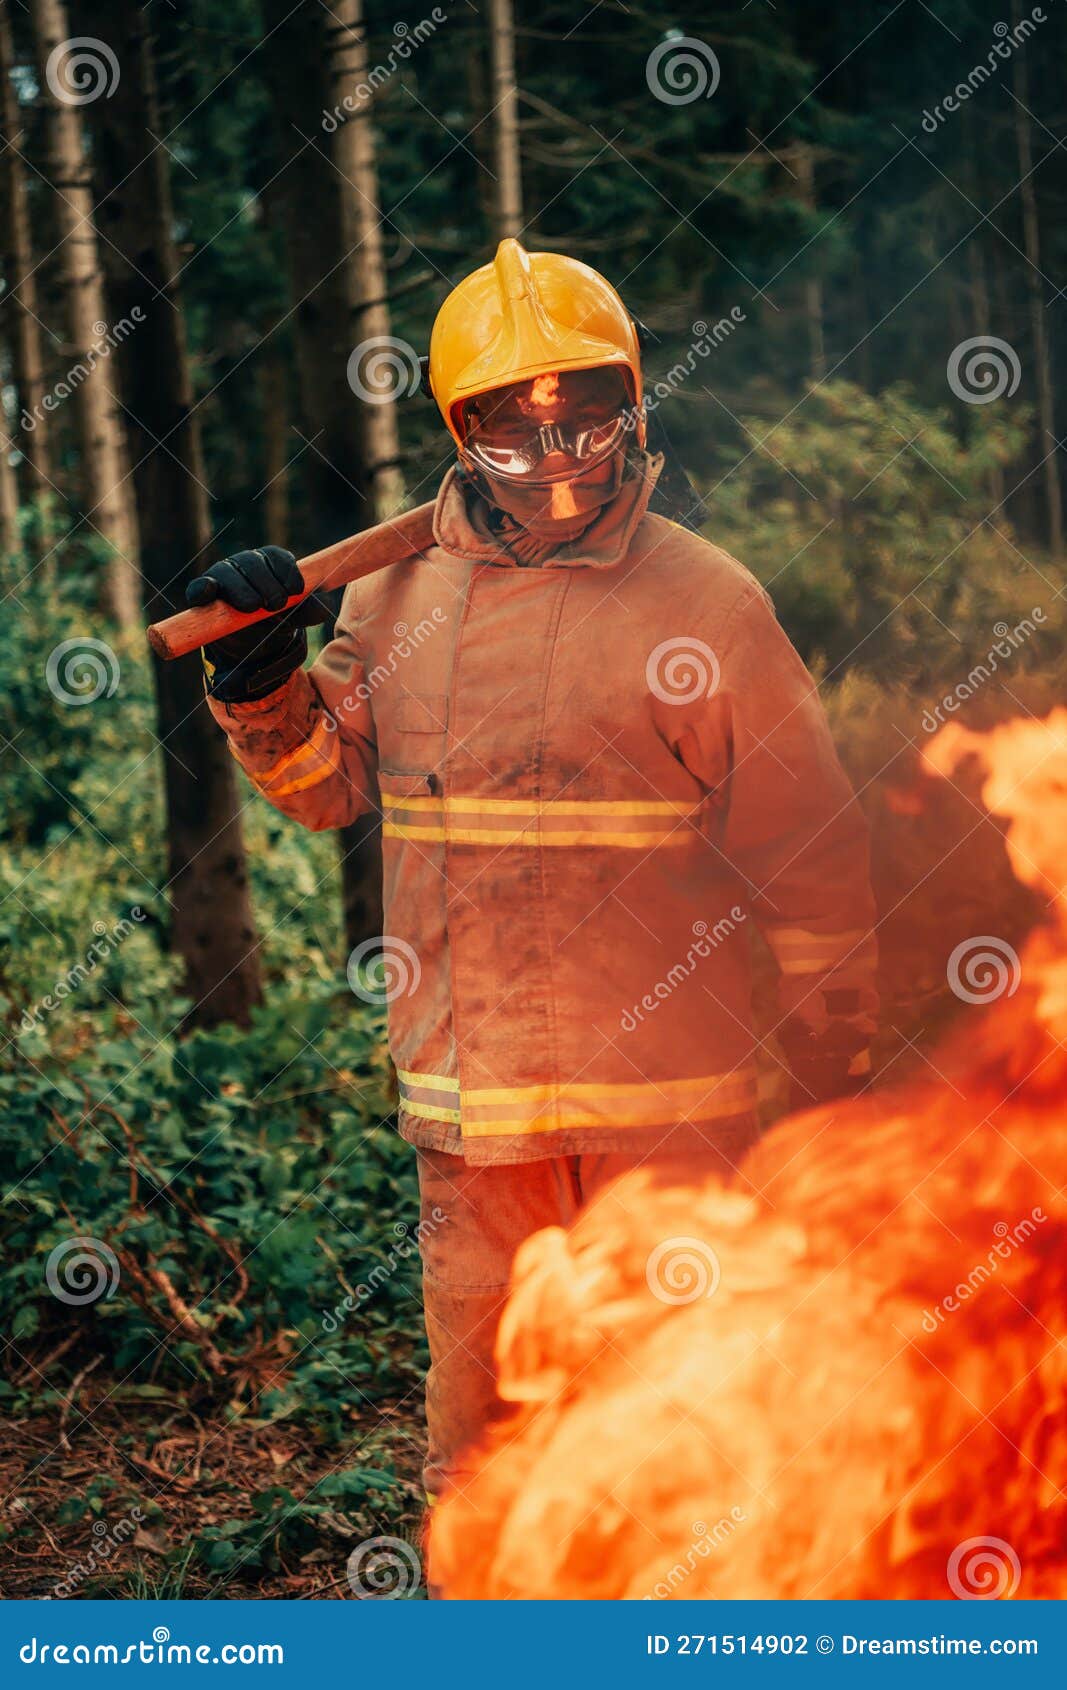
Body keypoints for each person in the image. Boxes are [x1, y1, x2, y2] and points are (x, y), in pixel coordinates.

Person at [189, 237, 878, 1514]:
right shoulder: (393, 598)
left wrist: (835, 1059)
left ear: (631, 412)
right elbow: (324, 785)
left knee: (678, 1441)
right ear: (462, 432)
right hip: (477, 1126)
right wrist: (262, 688)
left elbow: (810, 855)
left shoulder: (709, 607)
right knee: (492, 1454)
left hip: (671, 1124)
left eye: (587, 424)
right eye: (516, 435)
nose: (556, 465)